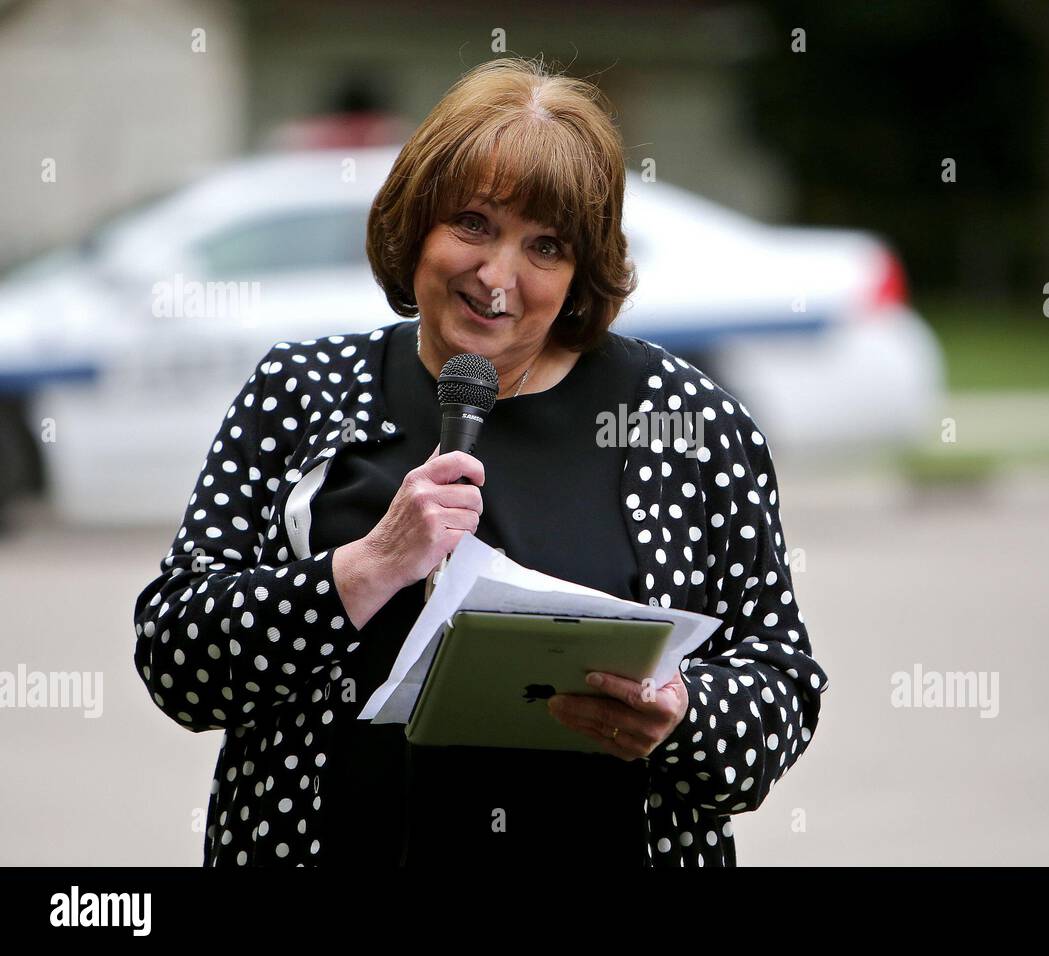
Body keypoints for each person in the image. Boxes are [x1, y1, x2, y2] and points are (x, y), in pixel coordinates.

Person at [132, 56, 828, 867]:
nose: (498, 277)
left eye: (546, 245)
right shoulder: (302, 392)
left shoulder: (685, 423)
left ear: (581, 274)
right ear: (413, 222)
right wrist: (363, 569)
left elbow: (780, 688)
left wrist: (682, 713)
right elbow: (174, 658)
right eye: (472, 224)